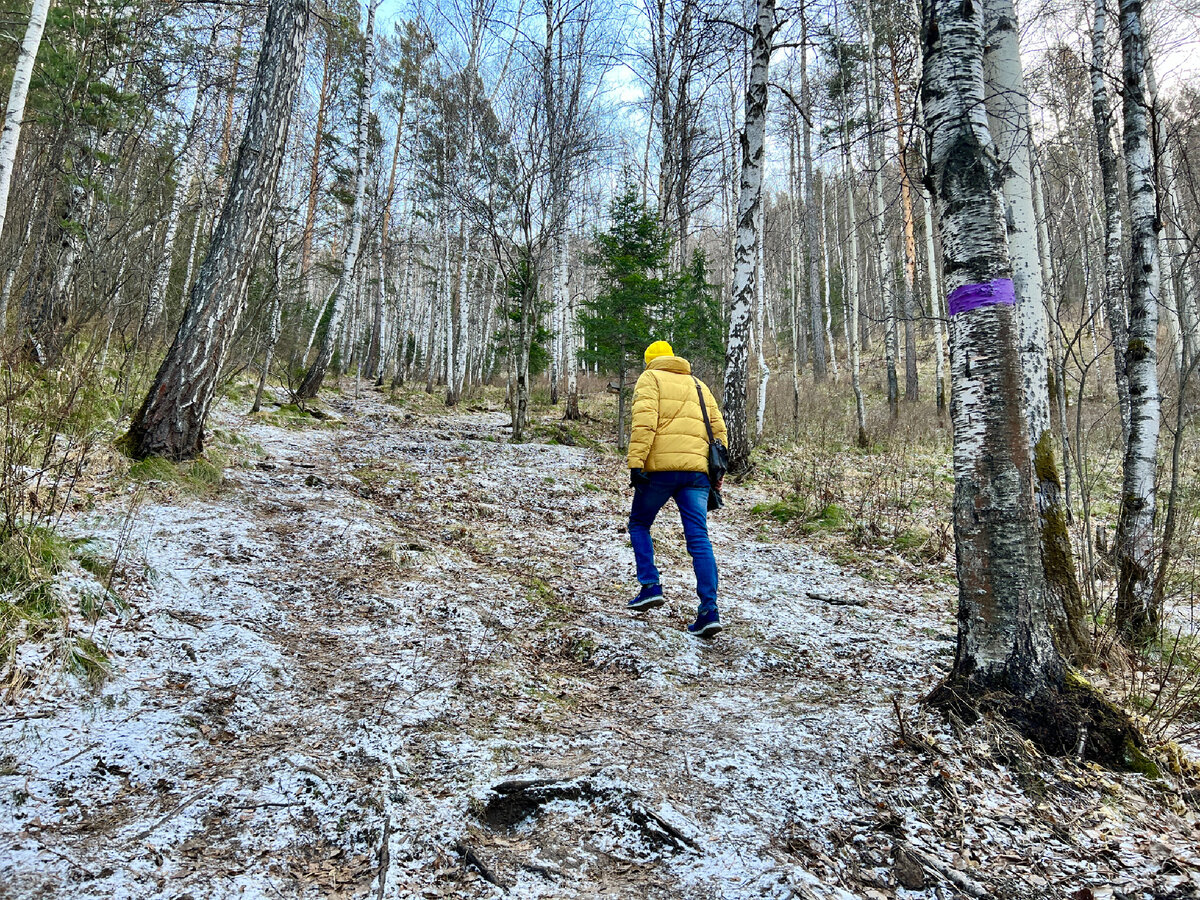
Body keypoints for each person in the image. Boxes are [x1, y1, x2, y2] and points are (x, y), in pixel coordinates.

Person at [626, 340, 727, 637]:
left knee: (639, 523)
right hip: (696, 474)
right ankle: (709, 610)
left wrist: (636, 463)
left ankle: (650, 585)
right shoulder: (698, 384)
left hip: (660, 471)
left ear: (649, 361)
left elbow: (644, 422)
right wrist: (717, 472)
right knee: (699, 538)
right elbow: (719, 431)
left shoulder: (650, 378)